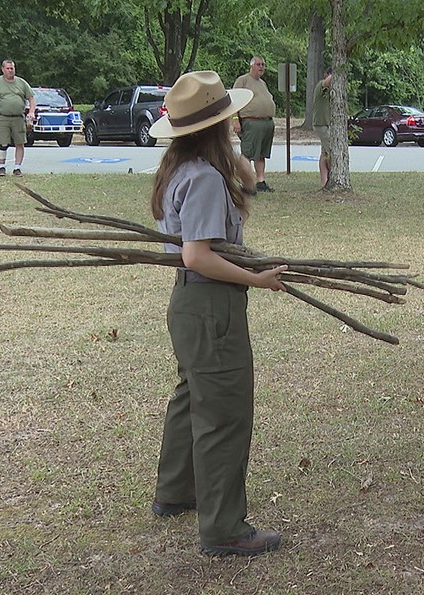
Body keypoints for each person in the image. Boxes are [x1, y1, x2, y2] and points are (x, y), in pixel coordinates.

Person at [147, 70, 289, 557]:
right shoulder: (205, 179)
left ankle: (175, 491)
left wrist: (230, 155)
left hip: (188, 305)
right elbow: (198, 255)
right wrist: (258, 279)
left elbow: (247, 183)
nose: (236, 124)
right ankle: (224, 528)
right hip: (211, 303)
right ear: (215, 127)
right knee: (223, 414)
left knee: (192, 396)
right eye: (228, 119)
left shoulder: (182, 169)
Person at [0, 59, 36, 177]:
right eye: (8, 68)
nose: (10, 71)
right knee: (2, 143)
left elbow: (31, 98)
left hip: (18, 117)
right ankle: (1, 167)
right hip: (2, 117)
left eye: (12, 68)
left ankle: (17, 168)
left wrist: (31, 112)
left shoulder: (21, 83)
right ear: (3, 69)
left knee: (19, 143)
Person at [232, 56, 277, 192]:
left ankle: (260, 181)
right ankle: (246, 184)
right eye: (258, 64)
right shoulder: (243, 80)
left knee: (261, 154)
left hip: (266, 123)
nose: (261, 67)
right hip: (251, 122)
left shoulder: (262, 83)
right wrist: (235, 119)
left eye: (263, 64)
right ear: (251, 66)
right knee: (247, 153)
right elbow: (233, 100)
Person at [308, 68, 334, 187]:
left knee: (324, 153)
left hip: (325, 125)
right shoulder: (321, 86)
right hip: (321, 124)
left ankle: (324, 181)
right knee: (331, 152)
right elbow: (327, 81)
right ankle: (330, 178)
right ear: (327, 74)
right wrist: (336, 74)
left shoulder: (330, 91)